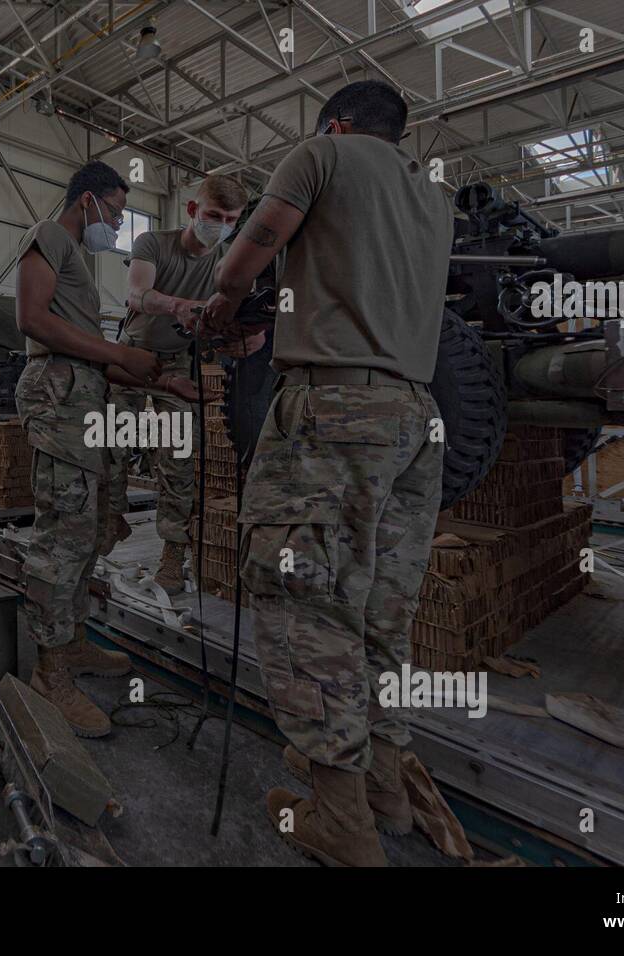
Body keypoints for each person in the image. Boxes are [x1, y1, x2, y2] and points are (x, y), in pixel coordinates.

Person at [201, 80, 455, 866]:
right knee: (381, 608)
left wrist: (220, 305)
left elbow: (248, 256)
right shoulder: (435, 199)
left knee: (305, 607)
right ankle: (385, 786)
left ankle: (341, 822)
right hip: (418, 419)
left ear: (337, 124)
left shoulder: (320, 155)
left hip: (333, 410)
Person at [14, 159, 200, 738]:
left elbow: (97, 359)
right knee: (61, 539)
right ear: (88, 200)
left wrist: (162, 381)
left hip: (83, 405)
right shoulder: (50, 236)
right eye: (116, 211)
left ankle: (71, 644)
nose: (117, 224)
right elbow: (31, 319)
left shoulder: (81, 267)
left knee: (88, 533)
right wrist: (119, 354)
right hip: (59, 400)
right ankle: (48, 671)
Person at [109, 174, 259, 593]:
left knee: (178, 459)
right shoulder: (153, 244)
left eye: (231, 219)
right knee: (111, 444)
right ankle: (111, 515)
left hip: (179, 365)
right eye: (214, 215)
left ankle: (173, 554)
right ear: (193, 211)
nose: (222, 225)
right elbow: (136, 295)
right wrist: (177, 306)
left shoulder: (228, 263)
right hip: (132, 358)